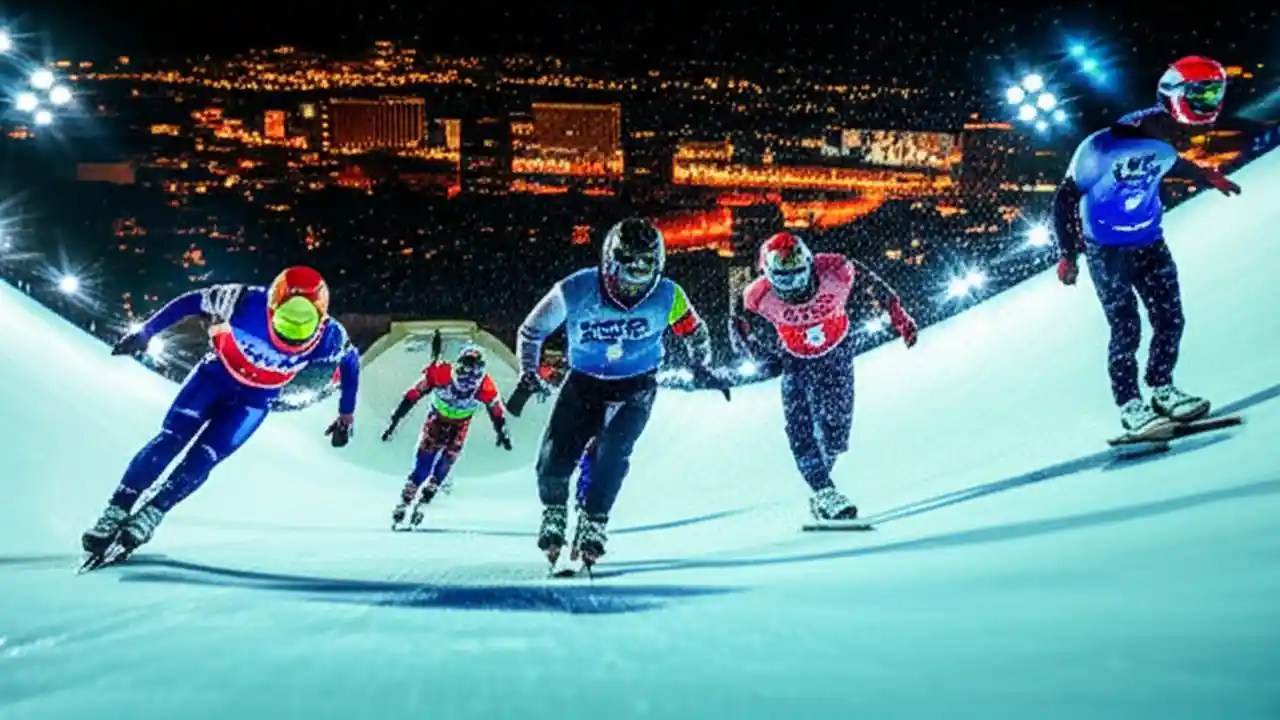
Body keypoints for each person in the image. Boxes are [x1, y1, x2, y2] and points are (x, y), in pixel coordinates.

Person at [82, 266, 360, 555]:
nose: (290, 340)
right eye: (285, 325)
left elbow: (191, 302)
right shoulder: (246, 302)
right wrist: (346, 413)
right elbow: (351, 364)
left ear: (320, 319)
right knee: (172, 440)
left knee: (202, 457)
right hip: (221, 382)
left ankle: (150, 510)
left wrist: (148, 332)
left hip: (238, 393)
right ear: (272, 307)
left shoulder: (314, 330)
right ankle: (121, 508)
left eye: (302, 331)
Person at [516, 217, 729, 567]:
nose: (635, 277)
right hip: (584, 382)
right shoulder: (575, 288)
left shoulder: (669, 295)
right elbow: (532, 330)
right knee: (553, 460)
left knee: (613, 454)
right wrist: (528, 371)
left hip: (637, 386)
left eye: (645, 266)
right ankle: (555, 509)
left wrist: (700, 365)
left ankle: (596, 519)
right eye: (629, 265)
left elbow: (695, 331)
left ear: (657, 265)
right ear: (610, 261)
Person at [1052, 55, 1242, 435]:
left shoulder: (1169, 138)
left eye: (1214, 95)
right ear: (1175, 95)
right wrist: (1067, 253)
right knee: (1126, 327)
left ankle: (1161, 387)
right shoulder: (1105, 145)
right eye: (1201, 96)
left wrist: (1206, 176)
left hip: (1150, 240)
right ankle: (1131, 405)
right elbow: (1065, 197)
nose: (1210, 105)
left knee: (1171, 319)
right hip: (1108, 249)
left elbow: (1168, 161)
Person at [730, 232, 917, 522]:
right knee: (800, 429)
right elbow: (738, 325)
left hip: (836, 355)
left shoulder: (835, 271)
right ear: (767, 274)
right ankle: (824, 490)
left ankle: (820, 484)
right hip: (797, 363)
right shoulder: (756, 294)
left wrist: (899, 316)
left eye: (798, 274)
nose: (794, 286)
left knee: (836, 434)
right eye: (784, 279)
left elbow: (871, 283)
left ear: (810, 264)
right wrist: (760, 355)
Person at [381, 344, 512, 527]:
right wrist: (501, 431)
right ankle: (412, 497)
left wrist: (501, 431)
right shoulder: (443, 373)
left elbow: (413, 395)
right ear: (457, 366)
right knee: (426, 465)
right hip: (441, 420)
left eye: (474, 373)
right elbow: (413, 394)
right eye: (465, 370)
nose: (468, 379)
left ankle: (420, 496)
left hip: (453, 422)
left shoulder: (478, 384)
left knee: (446, 461)